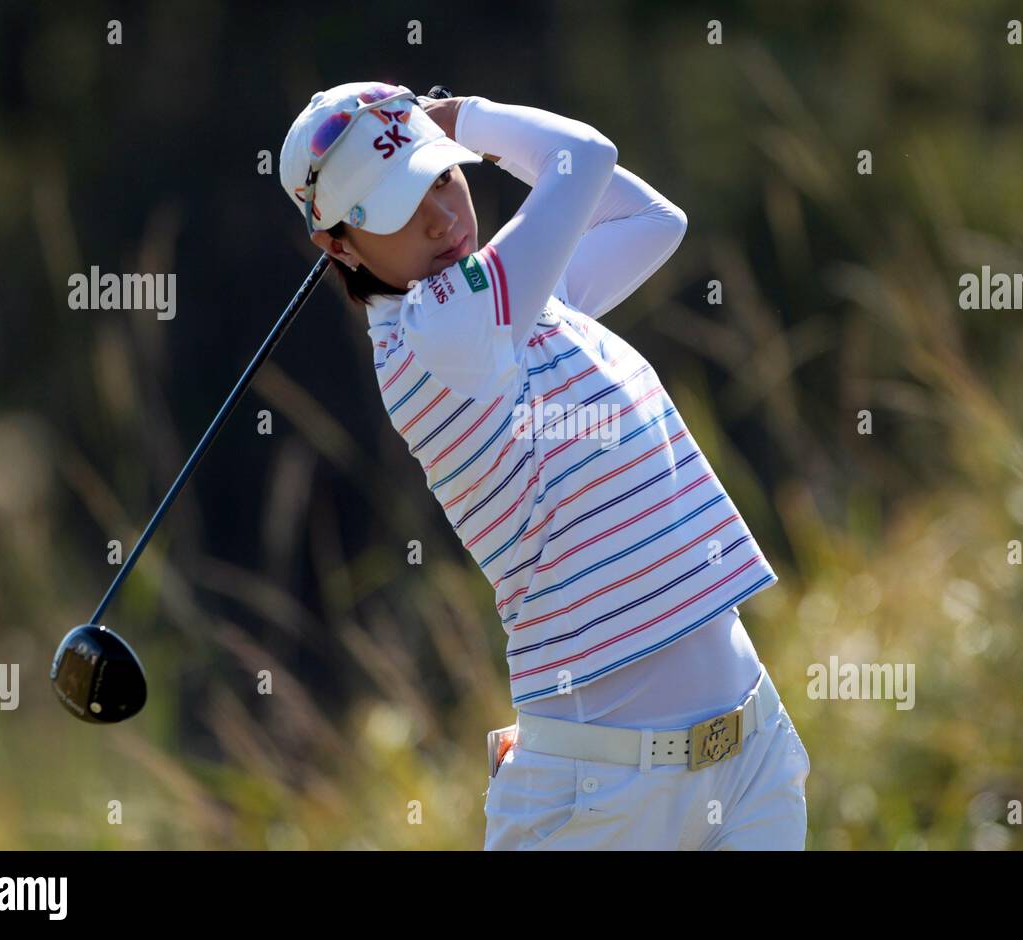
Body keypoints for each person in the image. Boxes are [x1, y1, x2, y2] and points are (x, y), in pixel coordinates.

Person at [279, 81, 810, 850]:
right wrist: (468, 119)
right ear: (339, 245)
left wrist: (449, 130)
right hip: (597, 806)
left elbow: (653, 219)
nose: (442, 215)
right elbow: (585, 158)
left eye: (443, 174)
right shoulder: (435, 339)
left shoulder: (527, 306)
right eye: (399, 208)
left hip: (750, 755)